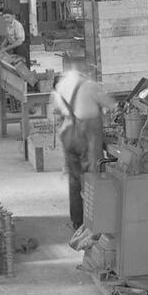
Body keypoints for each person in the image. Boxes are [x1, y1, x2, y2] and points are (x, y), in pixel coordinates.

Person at [50, 57, 111, 231]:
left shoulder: (59, 87)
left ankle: (77, 222)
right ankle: (96, 222)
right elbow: (111, 104)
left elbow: (55, 111)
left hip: (67, 134)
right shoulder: (90, 85)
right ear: (82, 68)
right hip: (87, 136)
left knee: (74, 178)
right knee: (93, 177)